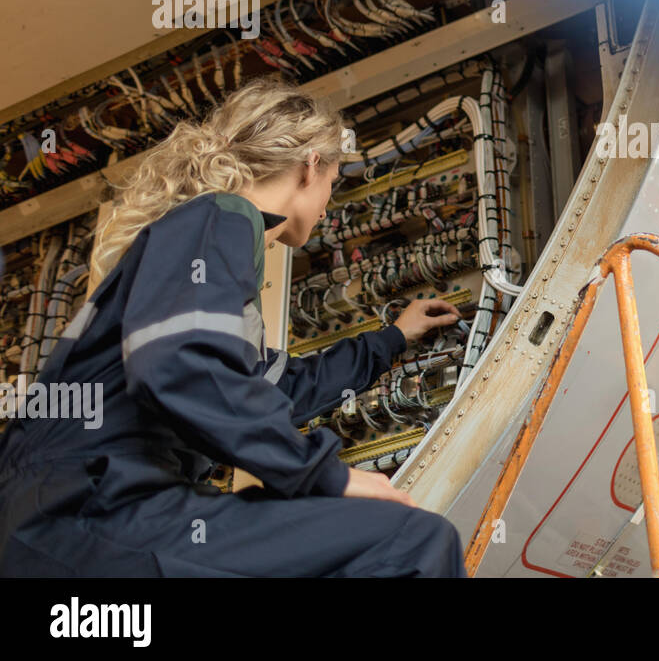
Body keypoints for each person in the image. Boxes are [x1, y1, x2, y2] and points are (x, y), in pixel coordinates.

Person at [0, 78, 468, 576]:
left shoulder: (196, 249)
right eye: (335, 177)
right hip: (90, 513)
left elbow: (277, 388)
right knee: (409, 541)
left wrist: (391, 339)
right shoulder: (220, 216)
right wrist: (320, 475)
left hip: (59, 529)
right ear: (310, 165)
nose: (331, 198)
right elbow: (182, 364)